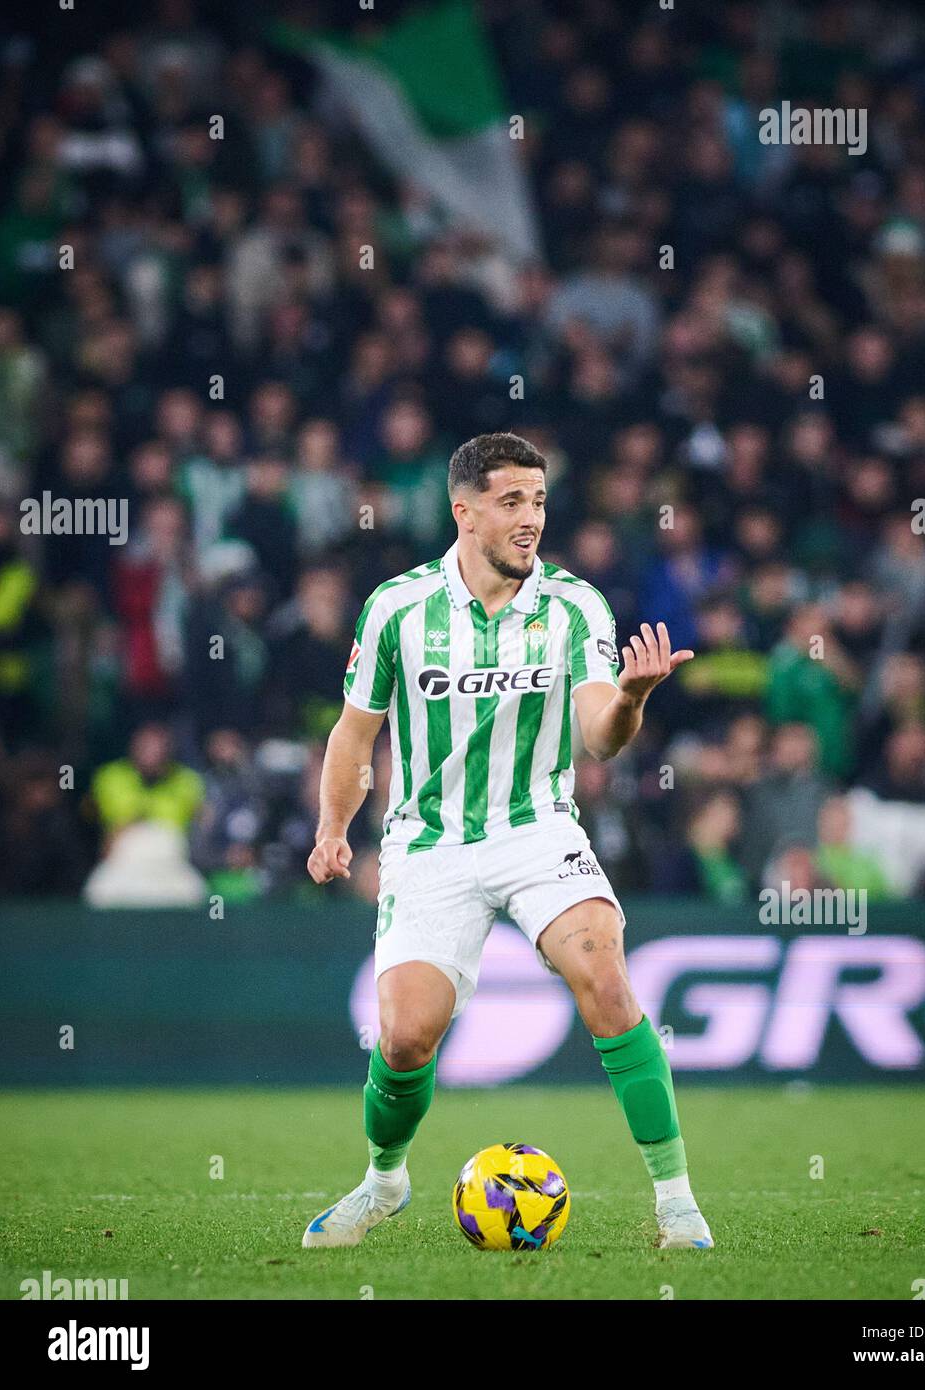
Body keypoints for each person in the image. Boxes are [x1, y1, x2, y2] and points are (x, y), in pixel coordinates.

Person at [303, 432, 713, 1252]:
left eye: (540, 501)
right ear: (465, 511)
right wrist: (332, 830)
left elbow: (600, 737)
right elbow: (354, 736)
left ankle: (677, 1204)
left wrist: (631, 698)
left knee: (604, 972)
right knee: (406, 1037)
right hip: (430, 844)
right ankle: (385, 1179)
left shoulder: (575, 606)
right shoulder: (396, 608)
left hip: (538, 830)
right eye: (512, 502)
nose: (531, 520)